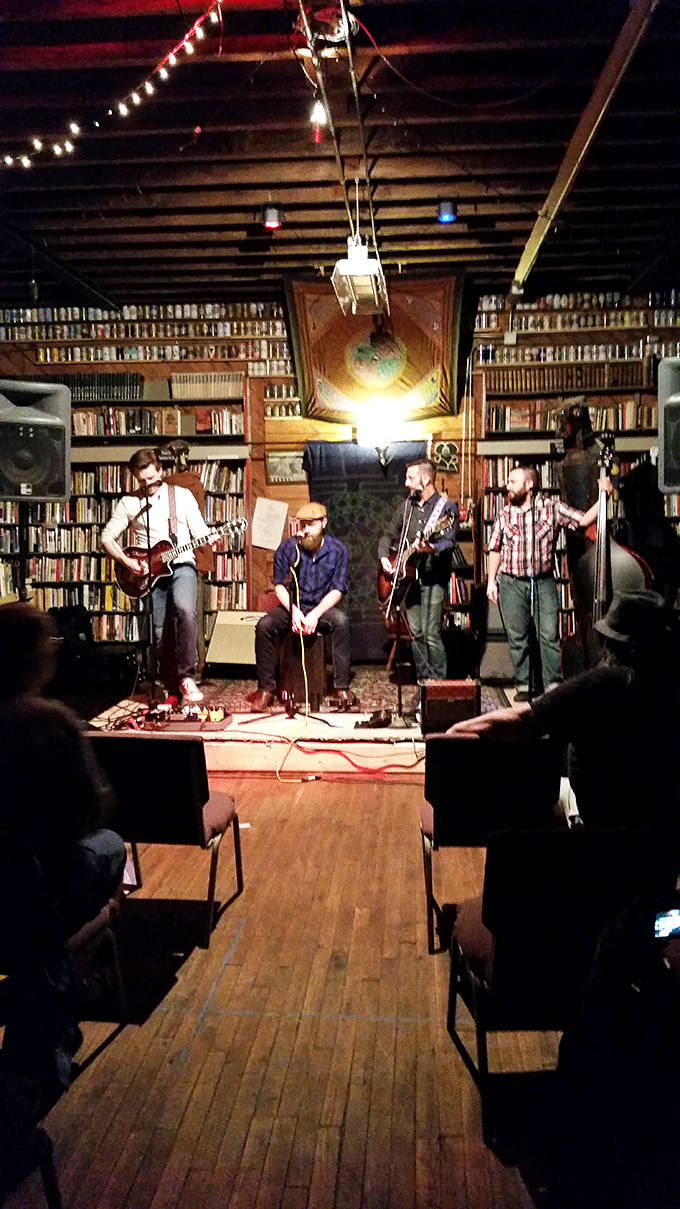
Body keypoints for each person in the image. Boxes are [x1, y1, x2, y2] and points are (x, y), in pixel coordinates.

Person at [0, 603, 127, 1099]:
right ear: (33, 659)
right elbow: (93, 810)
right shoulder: (51, 725)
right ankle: (79, 961)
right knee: (111, 849)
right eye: (47, 643)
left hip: (14, 875)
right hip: (36, 885)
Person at [447, 589, 680, 829]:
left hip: (605, 825)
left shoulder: (601, 684)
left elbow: (523, 721)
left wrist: (455, 731)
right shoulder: (669, 683)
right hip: (664, 830)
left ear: (611, 642)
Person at [101, 448, 220, 703]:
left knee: (185, 610)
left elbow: (199, 531)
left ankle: (188, 677)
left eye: (152, 479)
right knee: (159, 631)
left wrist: (210, 537)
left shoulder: (183, 496)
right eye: (142, 481)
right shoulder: (130, 503)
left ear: (161, 471)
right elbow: (107, 538)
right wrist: (127, 561)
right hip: (149, 573)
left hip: (181, 564)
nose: (148, 485)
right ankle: (170, 683)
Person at [487, 465, 608, 700]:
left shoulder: (551, 508)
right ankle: (524, 685)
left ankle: (552, 683)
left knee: (549, 635)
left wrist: (603, 496)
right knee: (518, 636)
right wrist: (492, 581)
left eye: (512, 481)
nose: (507, 486)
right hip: (511, 582)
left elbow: (582, 521)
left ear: (529, 485)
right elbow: (495, 548)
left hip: (542, 582)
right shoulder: (504, 514)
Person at [250, 501, 354, 712]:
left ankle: (341, 686)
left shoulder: (338, 550)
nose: (306, 530)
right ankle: (266, 689)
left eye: (311, 524)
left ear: (324, 523)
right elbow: (279, 585)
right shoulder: (288, 548)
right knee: (264, 626)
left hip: (321, 607)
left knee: (341, 622)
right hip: (294, 606)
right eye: (302, 524)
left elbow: (337, 590)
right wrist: (294, 611)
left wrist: (315, 614)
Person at [378, 458, 459, 695]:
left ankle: (439, 685)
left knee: (431, 633)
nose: (406, 483)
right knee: (416, 634)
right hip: (409, 580)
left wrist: (429, 548)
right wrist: (385, 557)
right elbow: (387, 535)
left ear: (426, 479)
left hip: (434, 576)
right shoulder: (407, 506)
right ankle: (424, 683)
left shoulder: (446, 509)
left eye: (410, 478)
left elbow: (448, 542)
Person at [156, 438, 213, 674]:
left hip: (182, 557)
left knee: (179, 618)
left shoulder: (175, 487)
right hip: (191, 557)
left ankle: (183, 666)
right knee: (191, 616)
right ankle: (196, 663)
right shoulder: (193, 485)